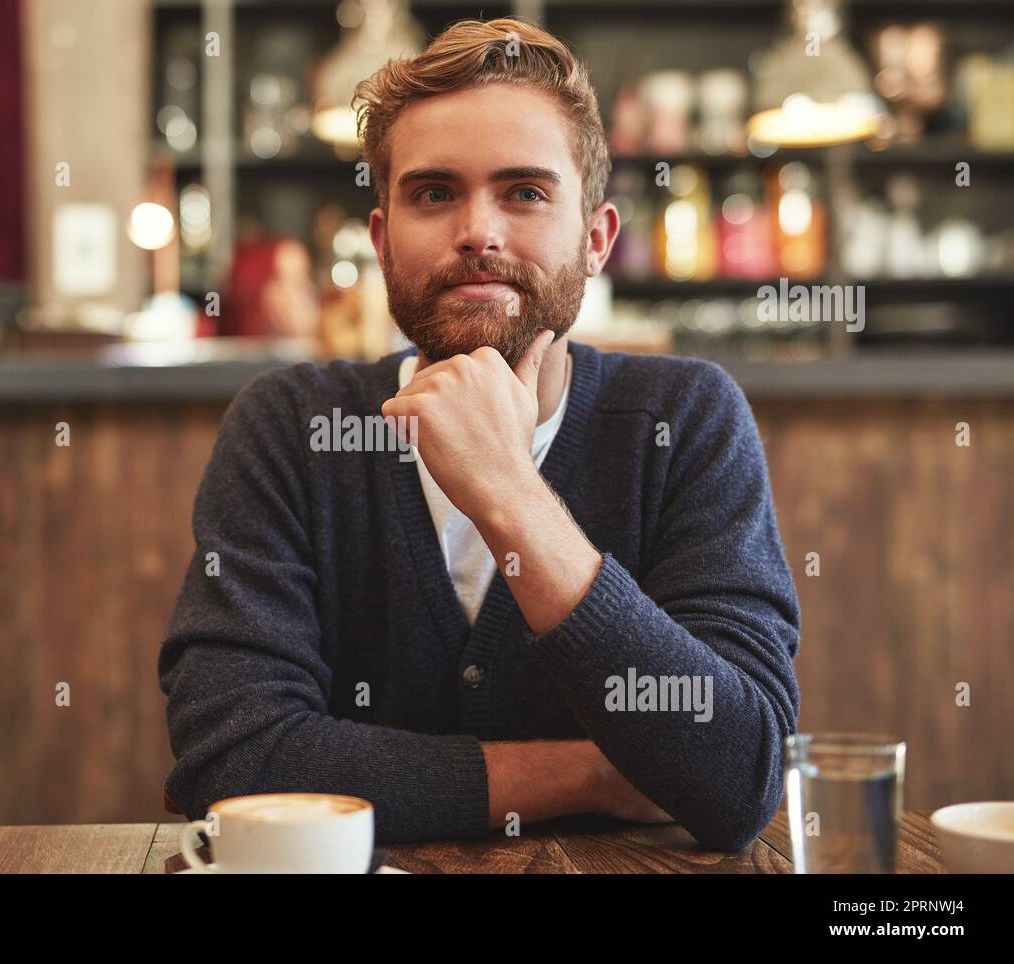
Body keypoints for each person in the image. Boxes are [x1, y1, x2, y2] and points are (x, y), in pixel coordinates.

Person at [158, 17, 800, 851]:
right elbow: (231, 760)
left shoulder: (685, 419)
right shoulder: (290, 428)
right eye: (434, 193)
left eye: (525, 192)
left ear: (597, 239)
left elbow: (739, 772)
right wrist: (596, 774)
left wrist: (512, 497)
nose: (479, 232)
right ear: (384, 241)